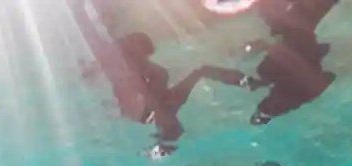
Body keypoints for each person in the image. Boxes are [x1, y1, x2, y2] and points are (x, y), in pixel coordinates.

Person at [70, 0, 250, 156]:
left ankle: (162, 140)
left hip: (144, 105)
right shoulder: (131, 70)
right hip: (145, 106)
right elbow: (199, 72)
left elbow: (85, 25)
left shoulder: (120, 64)